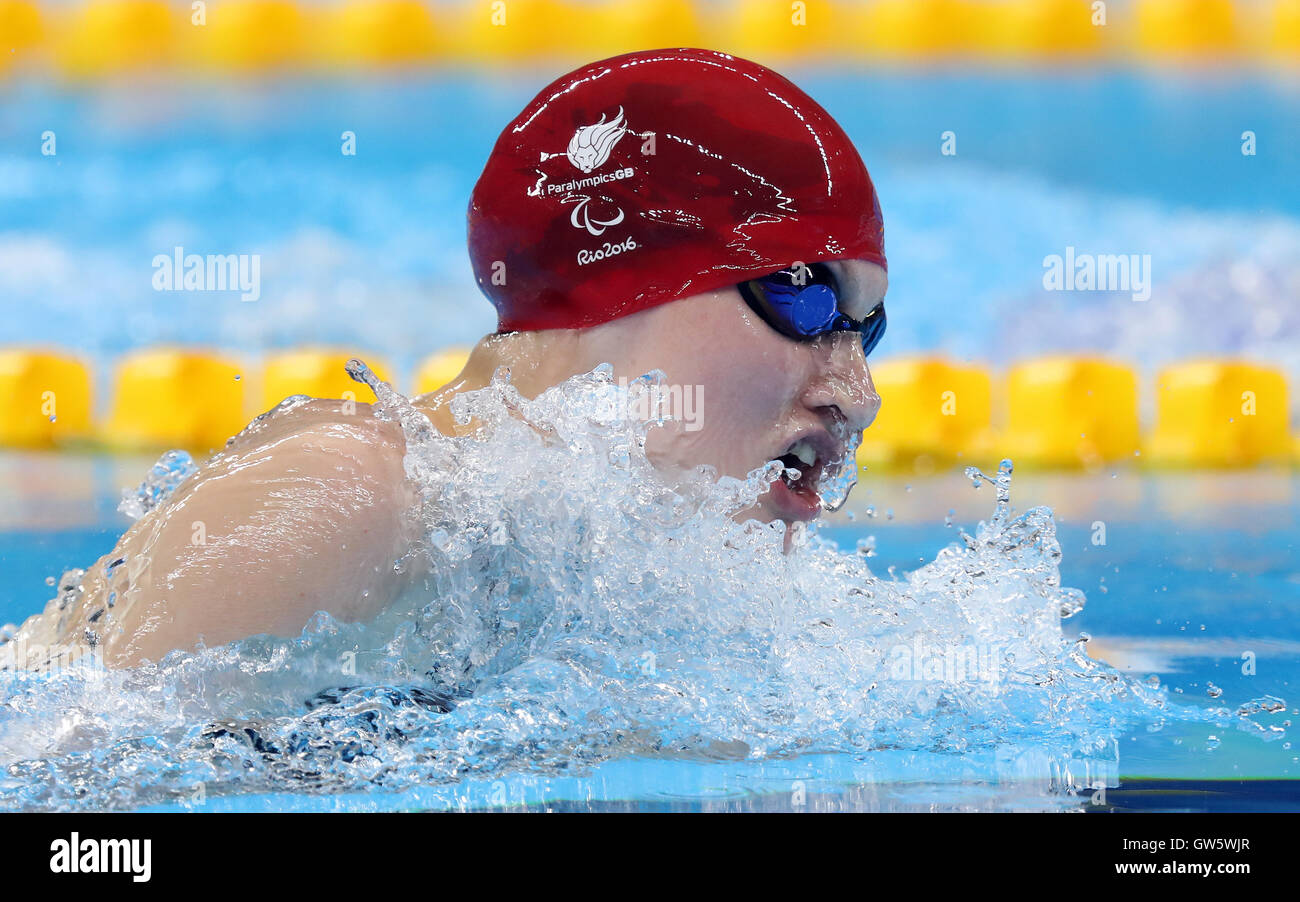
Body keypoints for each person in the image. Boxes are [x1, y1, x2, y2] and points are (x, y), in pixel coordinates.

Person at [12, 48, 889, 668]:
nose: (859, 391)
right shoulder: (347, 494)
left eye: (868, 328)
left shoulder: (617, 587)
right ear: (624, 279)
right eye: (804, 296)